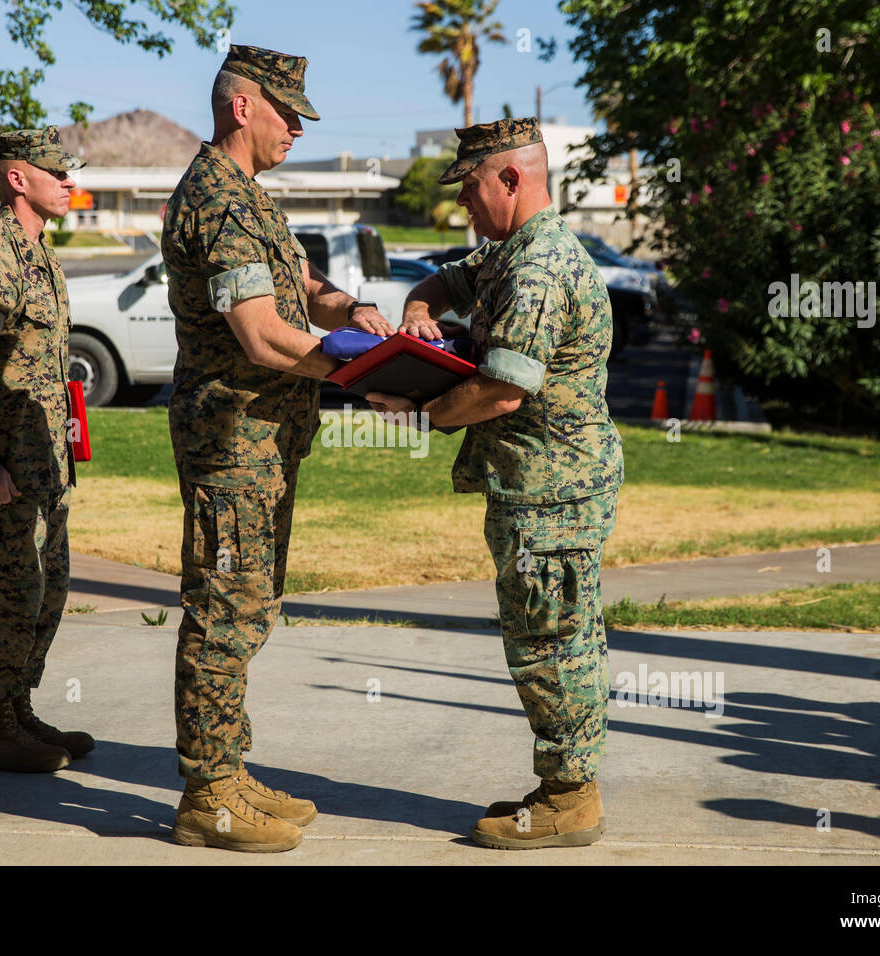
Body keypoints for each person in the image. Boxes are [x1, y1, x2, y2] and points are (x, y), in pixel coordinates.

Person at [161, 43, 394, 852]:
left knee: (249, 608)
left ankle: (229, 767)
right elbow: (261, 337)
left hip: (265, 443)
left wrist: (349, 309)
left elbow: (298, 290)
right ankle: (207, 794)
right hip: (231, 442)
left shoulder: (251, 198)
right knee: (223, 612)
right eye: (288, 112)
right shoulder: (217, 200)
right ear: (241, 107)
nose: (297, 127)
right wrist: (363, 368)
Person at [367, 117, 624, 850]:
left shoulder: (539, 268)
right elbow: (447, 280)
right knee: (560, 637)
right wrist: (419, 308)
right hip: (538, 487)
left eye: (472, 189)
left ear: (511, 179)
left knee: (551, 644)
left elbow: (502, 390)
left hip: (551, 494)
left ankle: (570, 799)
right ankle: (564, 783)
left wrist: (423, 414)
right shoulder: (511, 254)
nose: (464, 207)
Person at [0, 126, 94, 774]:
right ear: (16, 177)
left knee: (46, 590)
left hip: (42, 467)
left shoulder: (39, 253)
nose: (69, 183)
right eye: (56, 173)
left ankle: (17, 709)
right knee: (8, 594)